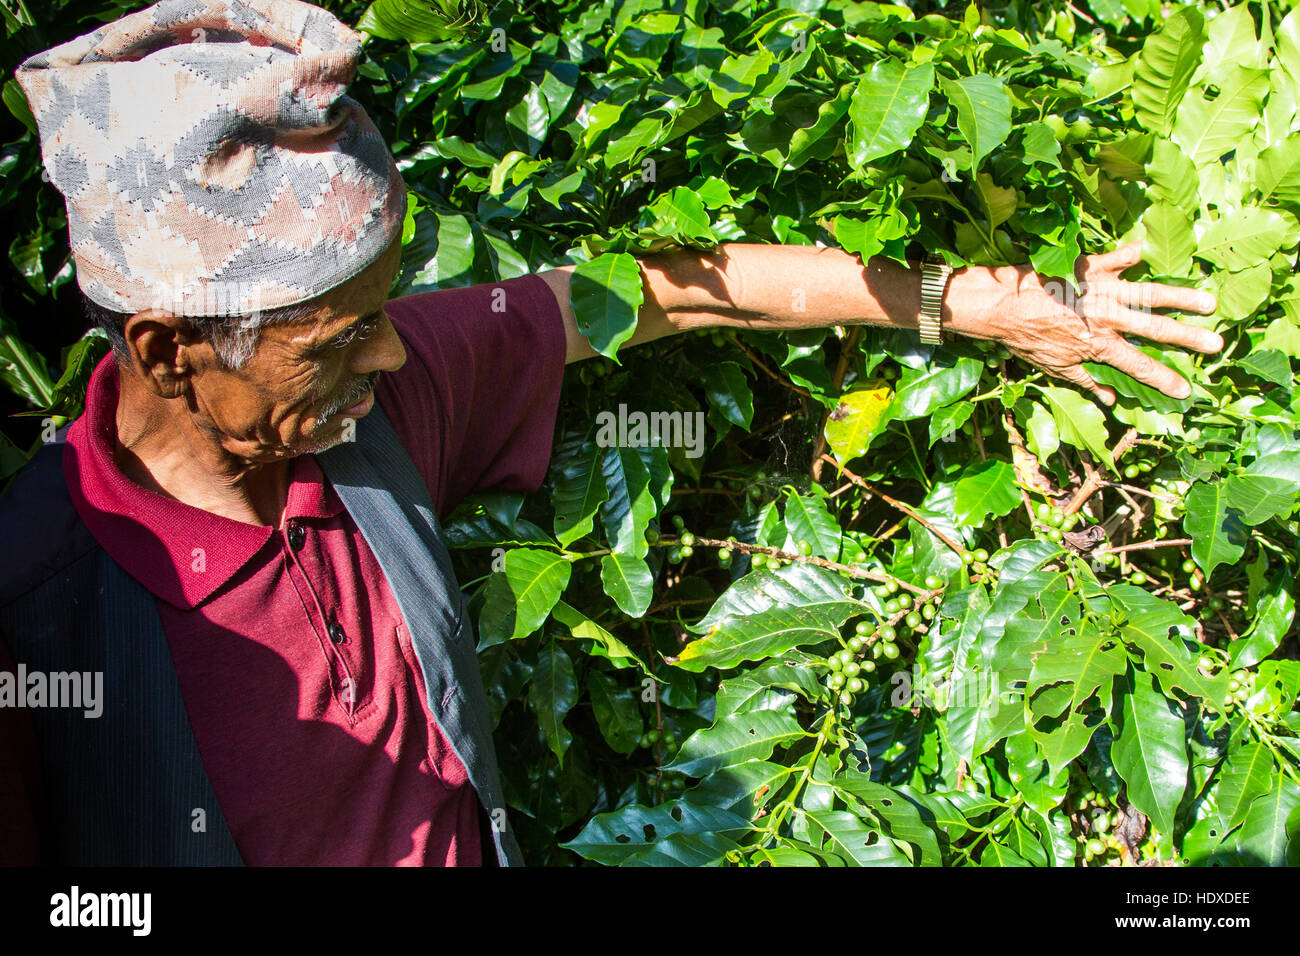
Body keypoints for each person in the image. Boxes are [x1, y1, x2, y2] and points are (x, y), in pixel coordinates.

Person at [0, 0, 1221, 866]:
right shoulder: (33, 602)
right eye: (336, 334)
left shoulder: (376, 408)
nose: (388, 352)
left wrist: (996, 303)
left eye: (385, 312)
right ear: (167, 350)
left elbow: (669, 288)